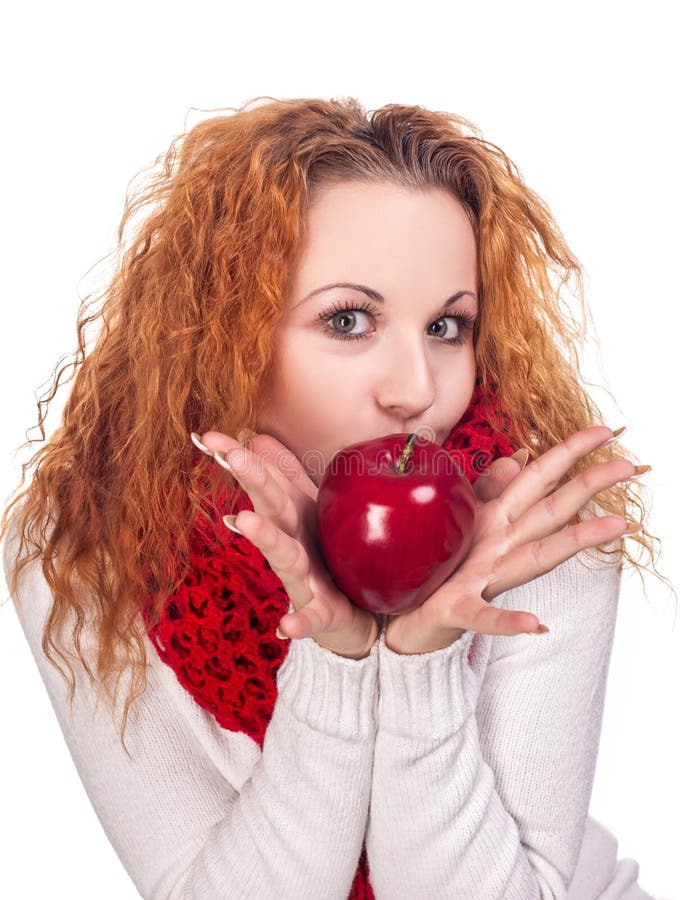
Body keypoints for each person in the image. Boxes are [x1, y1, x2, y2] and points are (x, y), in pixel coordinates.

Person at [1, 96, 664, 899]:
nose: (416, 391)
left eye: (447, 327)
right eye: (347, 320)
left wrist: (419, 656)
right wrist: (336, 660)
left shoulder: (533, 525)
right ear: (223, 333)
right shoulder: (83, 547)